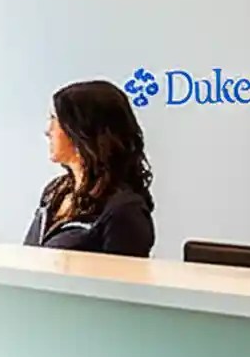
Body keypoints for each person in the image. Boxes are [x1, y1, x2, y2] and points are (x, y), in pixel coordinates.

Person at [22, 80, 155, 257]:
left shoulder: (123, 210)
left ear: (82, 129)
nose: (48, 130)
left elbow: (123, 283)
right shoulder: (55, 191)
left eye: (56, 119)